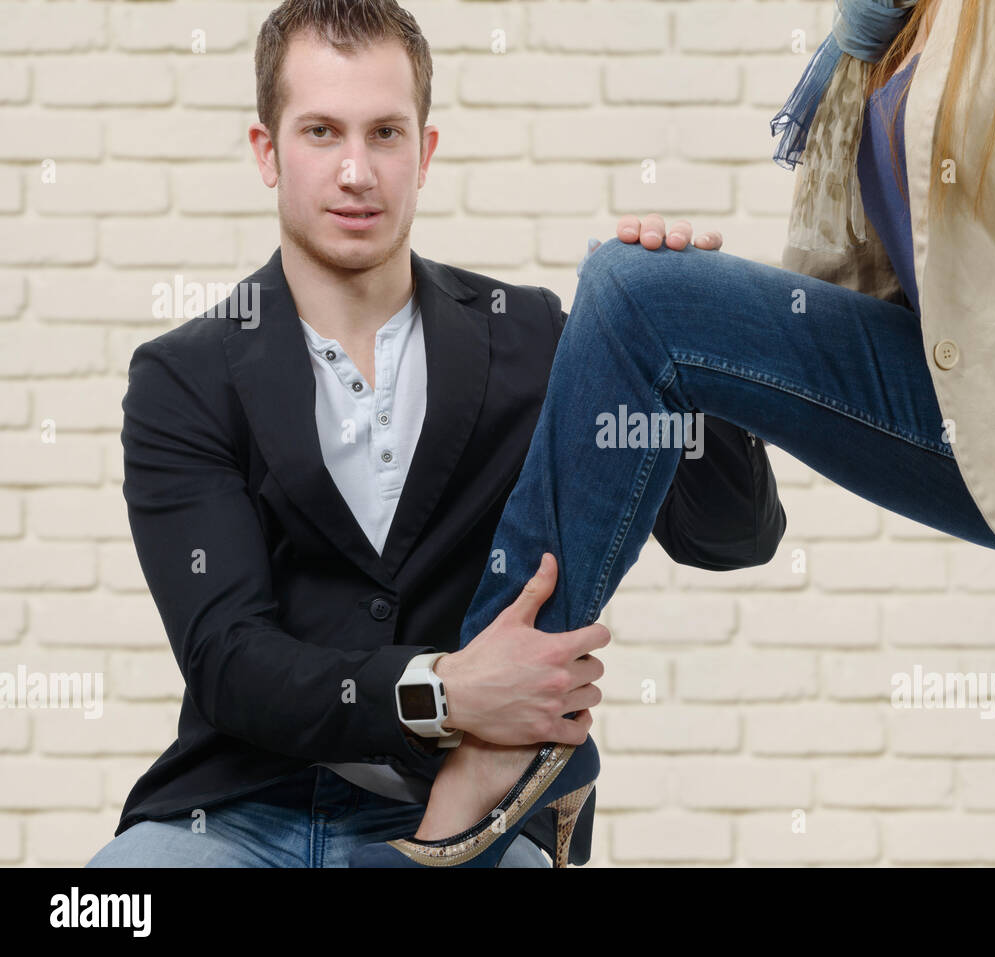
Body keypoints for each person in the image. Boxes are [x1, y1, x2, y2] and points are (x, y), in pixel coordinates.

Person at [351, 0, 995, 868]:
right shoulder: (895, 13)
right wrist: (721, 330)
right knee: (641, 293)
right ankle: (510, 722)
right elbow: (887, 277)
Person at [85, 0, 785, 868]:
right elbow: (230, 661)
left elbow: (731, 538)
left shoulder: (533, 338)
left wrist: (687, 333)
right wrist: (443, 691)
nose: (356, 170)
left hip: (469, 820)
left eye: (385, 132)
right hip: (232, 813)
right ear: (267, 152)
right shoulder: (182, 376)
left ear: (426, 149)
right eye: (320, 133)